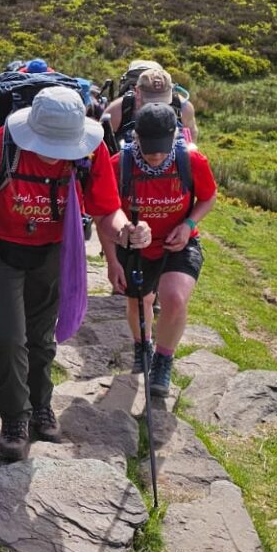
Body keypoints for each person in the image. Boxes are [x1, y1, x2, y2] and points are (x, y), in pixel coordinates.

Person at [0, 87, 149, 457]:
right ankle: (14, 417)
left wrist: (127, 233)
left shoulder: (90, 152)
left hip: (51, 251)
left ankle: (40, 405)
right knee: (9, 337)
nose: (56, 155)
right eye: (49, 146)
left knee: (40, 336)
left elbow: (107, 211)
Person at [106, 102, 217, 397]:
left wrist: (189, 224)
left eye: (162, 149)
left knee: (175, 298)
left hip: (177, 243)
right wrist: (115, 254)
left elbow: (208, 197)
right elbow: (106, 211)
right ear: (136, 137)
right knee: (139, 301)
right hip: (135, 247)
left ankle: (163, 360)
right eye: (149, 149)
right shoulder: (119, 165)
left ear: (175, 137)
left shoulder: (191, 161)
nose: (156, 156)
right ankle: (142, 346)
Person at [104, 63, 198, 146]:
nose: (156, 106)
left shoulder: (183, 109)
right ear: (137, 92)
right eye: (150, 101)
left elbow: (191, 133)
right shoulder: (118, 111)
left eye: (163, 101)